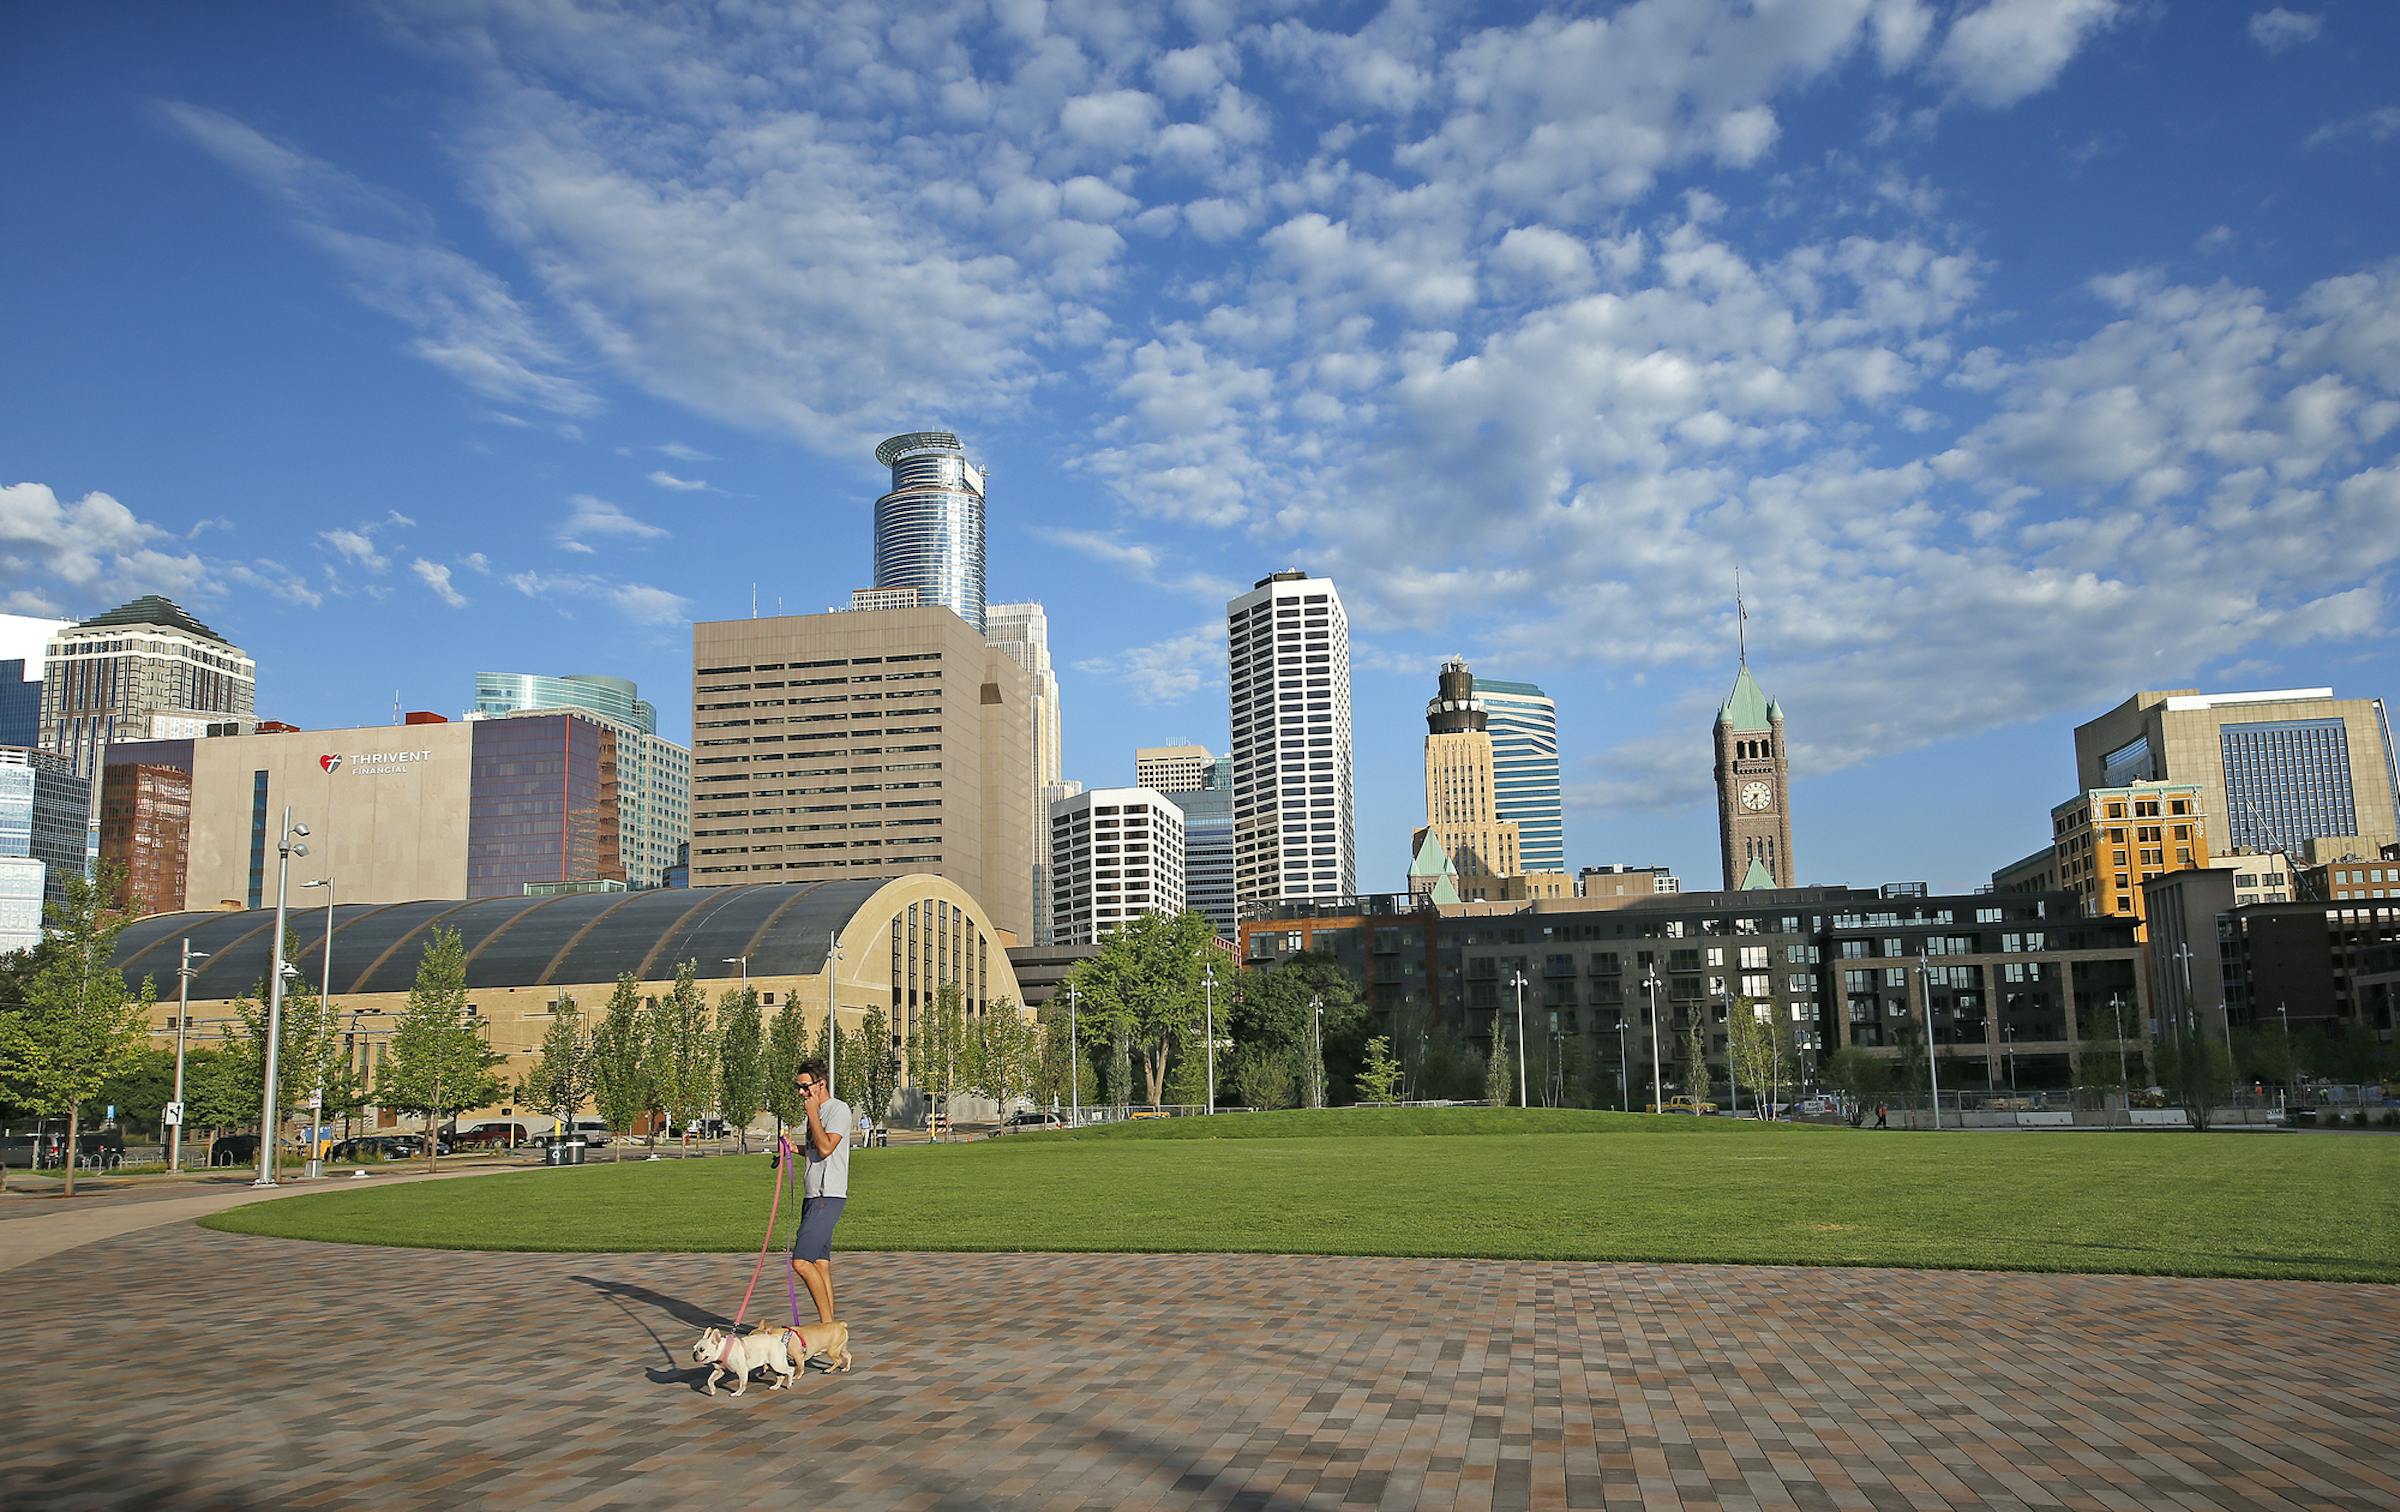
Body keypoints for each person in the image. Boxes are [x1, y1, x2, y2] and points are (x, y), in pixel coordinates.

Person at [783, 1058, 850, 1327]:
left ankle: (828, 1328)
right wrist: (794, 1148)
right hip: (812, 1196)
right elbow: (815, 1150)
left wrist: (812, 1113)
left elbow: (826, 1148)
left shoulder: (838, 1110)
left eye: (805, 1087)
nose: (801, 1092)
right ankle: (830, 1329)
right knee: (820, 1264)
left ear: (821, 1084)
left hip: (827, 1196)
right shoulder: (817, 1113)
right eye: (798, 1087)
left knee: (801, 1262)